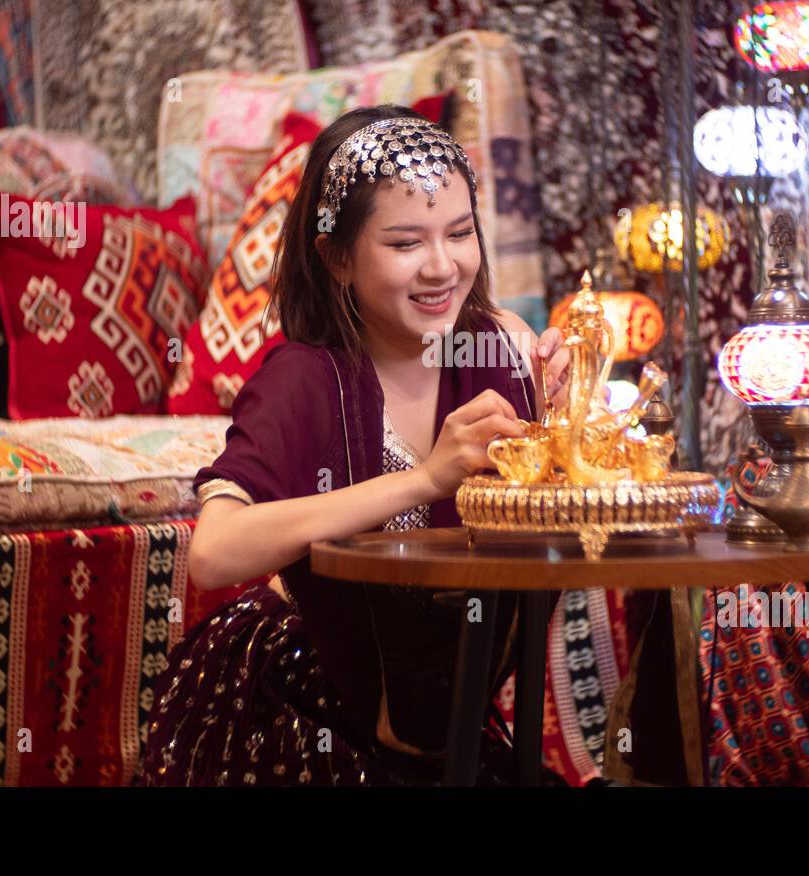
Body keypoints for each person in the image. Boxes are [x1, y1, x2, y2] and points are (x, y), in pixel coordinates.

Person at [141, 105, 569, 786]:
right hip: (298, 701)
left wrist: (562, 417)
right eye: (404, 244)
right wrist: (424, 480)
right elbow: (214, 555)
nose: (441, 268)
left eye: (460, 233)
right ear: (337, 257)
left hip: (437, 714)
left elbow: (558, 514)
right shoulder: (303, 379)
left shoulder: (497, 352)